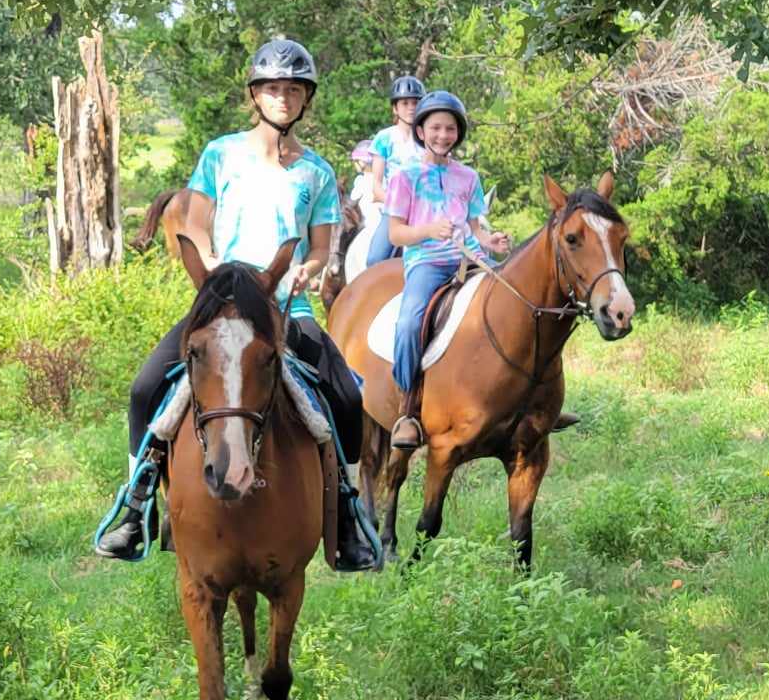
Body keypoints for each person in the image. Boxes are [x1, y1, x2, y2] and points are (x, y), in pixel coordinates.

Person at [95, 38, 378, 572]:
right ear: (256, 94)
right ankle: (137, 506)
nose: (283, 98)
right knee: (144, 389)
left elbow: (320, 248)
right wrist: (214, 271)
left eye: (294, 90)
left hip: (285, 310)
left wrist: (305, 271)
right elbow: (197, 226)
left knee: (345, 397)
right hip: (223, 306)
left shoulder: (316, 172)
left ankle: (345, 512)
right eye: (273, 89)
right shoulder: (219, 154)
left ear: (305, 99)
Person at [383, 89, 513, 450]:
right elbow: (396, 233)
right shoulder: (404, 177)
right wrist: (428, 230)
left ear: (459, 133)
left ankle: (528, 398)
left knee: (518, 305)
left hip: (470, 259)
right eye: (436, 128)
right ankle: (407, 408)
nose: (443, 135)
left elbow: (474, 226)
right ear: (421, 131)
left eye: (451, 129)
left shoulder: (468, 177)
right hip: (426, 263)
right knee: (409, 321)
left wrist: (490, 242)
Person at [363, 74, 426, 268]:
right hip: (395, 211)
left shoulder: (429, 139)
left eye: (415, 102)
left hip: (426, 210)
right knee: (375, 259)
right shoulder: (384, 138)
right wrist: (402, 204)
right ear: (395, 108)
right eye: (405, 103)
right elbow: (377, 188)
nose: (411, 107)